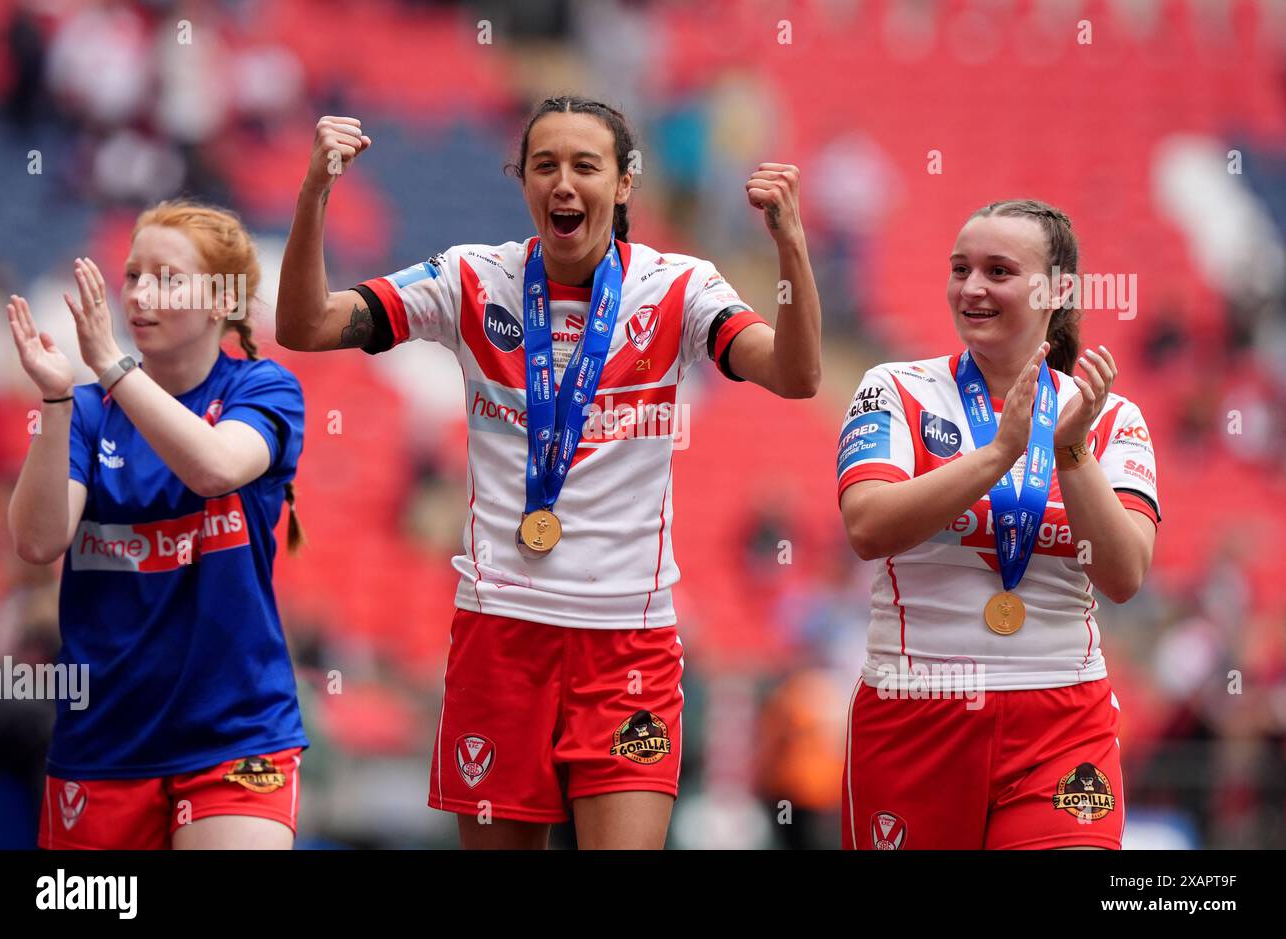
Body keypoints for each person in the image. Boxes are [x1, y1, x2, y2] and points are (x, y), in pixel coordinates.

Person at [276, 96, 822, 849]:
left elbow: (795, 374)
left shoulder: (679, 287)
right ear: (523, 180)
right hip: (501, 637)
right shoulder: (470, 279)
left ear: (625, 184)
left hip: (627, 644)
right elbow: (305, 325)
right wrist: (316, 192)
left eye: (586, 166)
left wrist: (791, 248)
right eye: (544, 165)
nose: (564, 183)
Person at [837, 199, 1160, 850]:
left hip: (1062, 720)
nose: (972, 287)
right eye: (961, 269)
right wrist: (999, 452)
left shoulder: (1110, 416)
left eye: (998, 270)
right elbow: (867, 526)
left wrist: (1070, 451)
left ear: (1058, 291)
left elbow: (1124, 574)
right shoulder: (897, 388)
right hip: (915, 716)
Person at [6, 200, 309, 849]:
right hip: (104, 742)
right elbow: (36, 541)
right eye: (133, 275)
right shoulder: (87, 412)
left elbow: (215, 467)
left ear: (223, 300)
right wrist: (58, 402)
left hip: (236, 735)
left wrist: (114, 367)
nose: (140, 294)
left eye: (166, 278)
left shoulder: (265, 388)